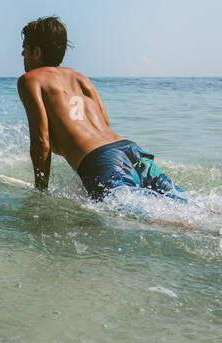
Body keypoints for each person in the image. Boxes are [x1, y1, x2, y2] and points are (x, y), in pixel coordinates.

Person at [16, 16, 184, 203]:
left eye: (25, 49)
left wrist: (41, 193)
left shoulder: (30, 79)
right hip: (131, 151)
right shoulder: (81, 79)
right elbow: (105, 126)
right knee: (189, 205)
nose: (22, 55)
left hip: (103, 162)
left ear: (37, 52)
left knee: (157, 219)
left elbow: (42, 142)